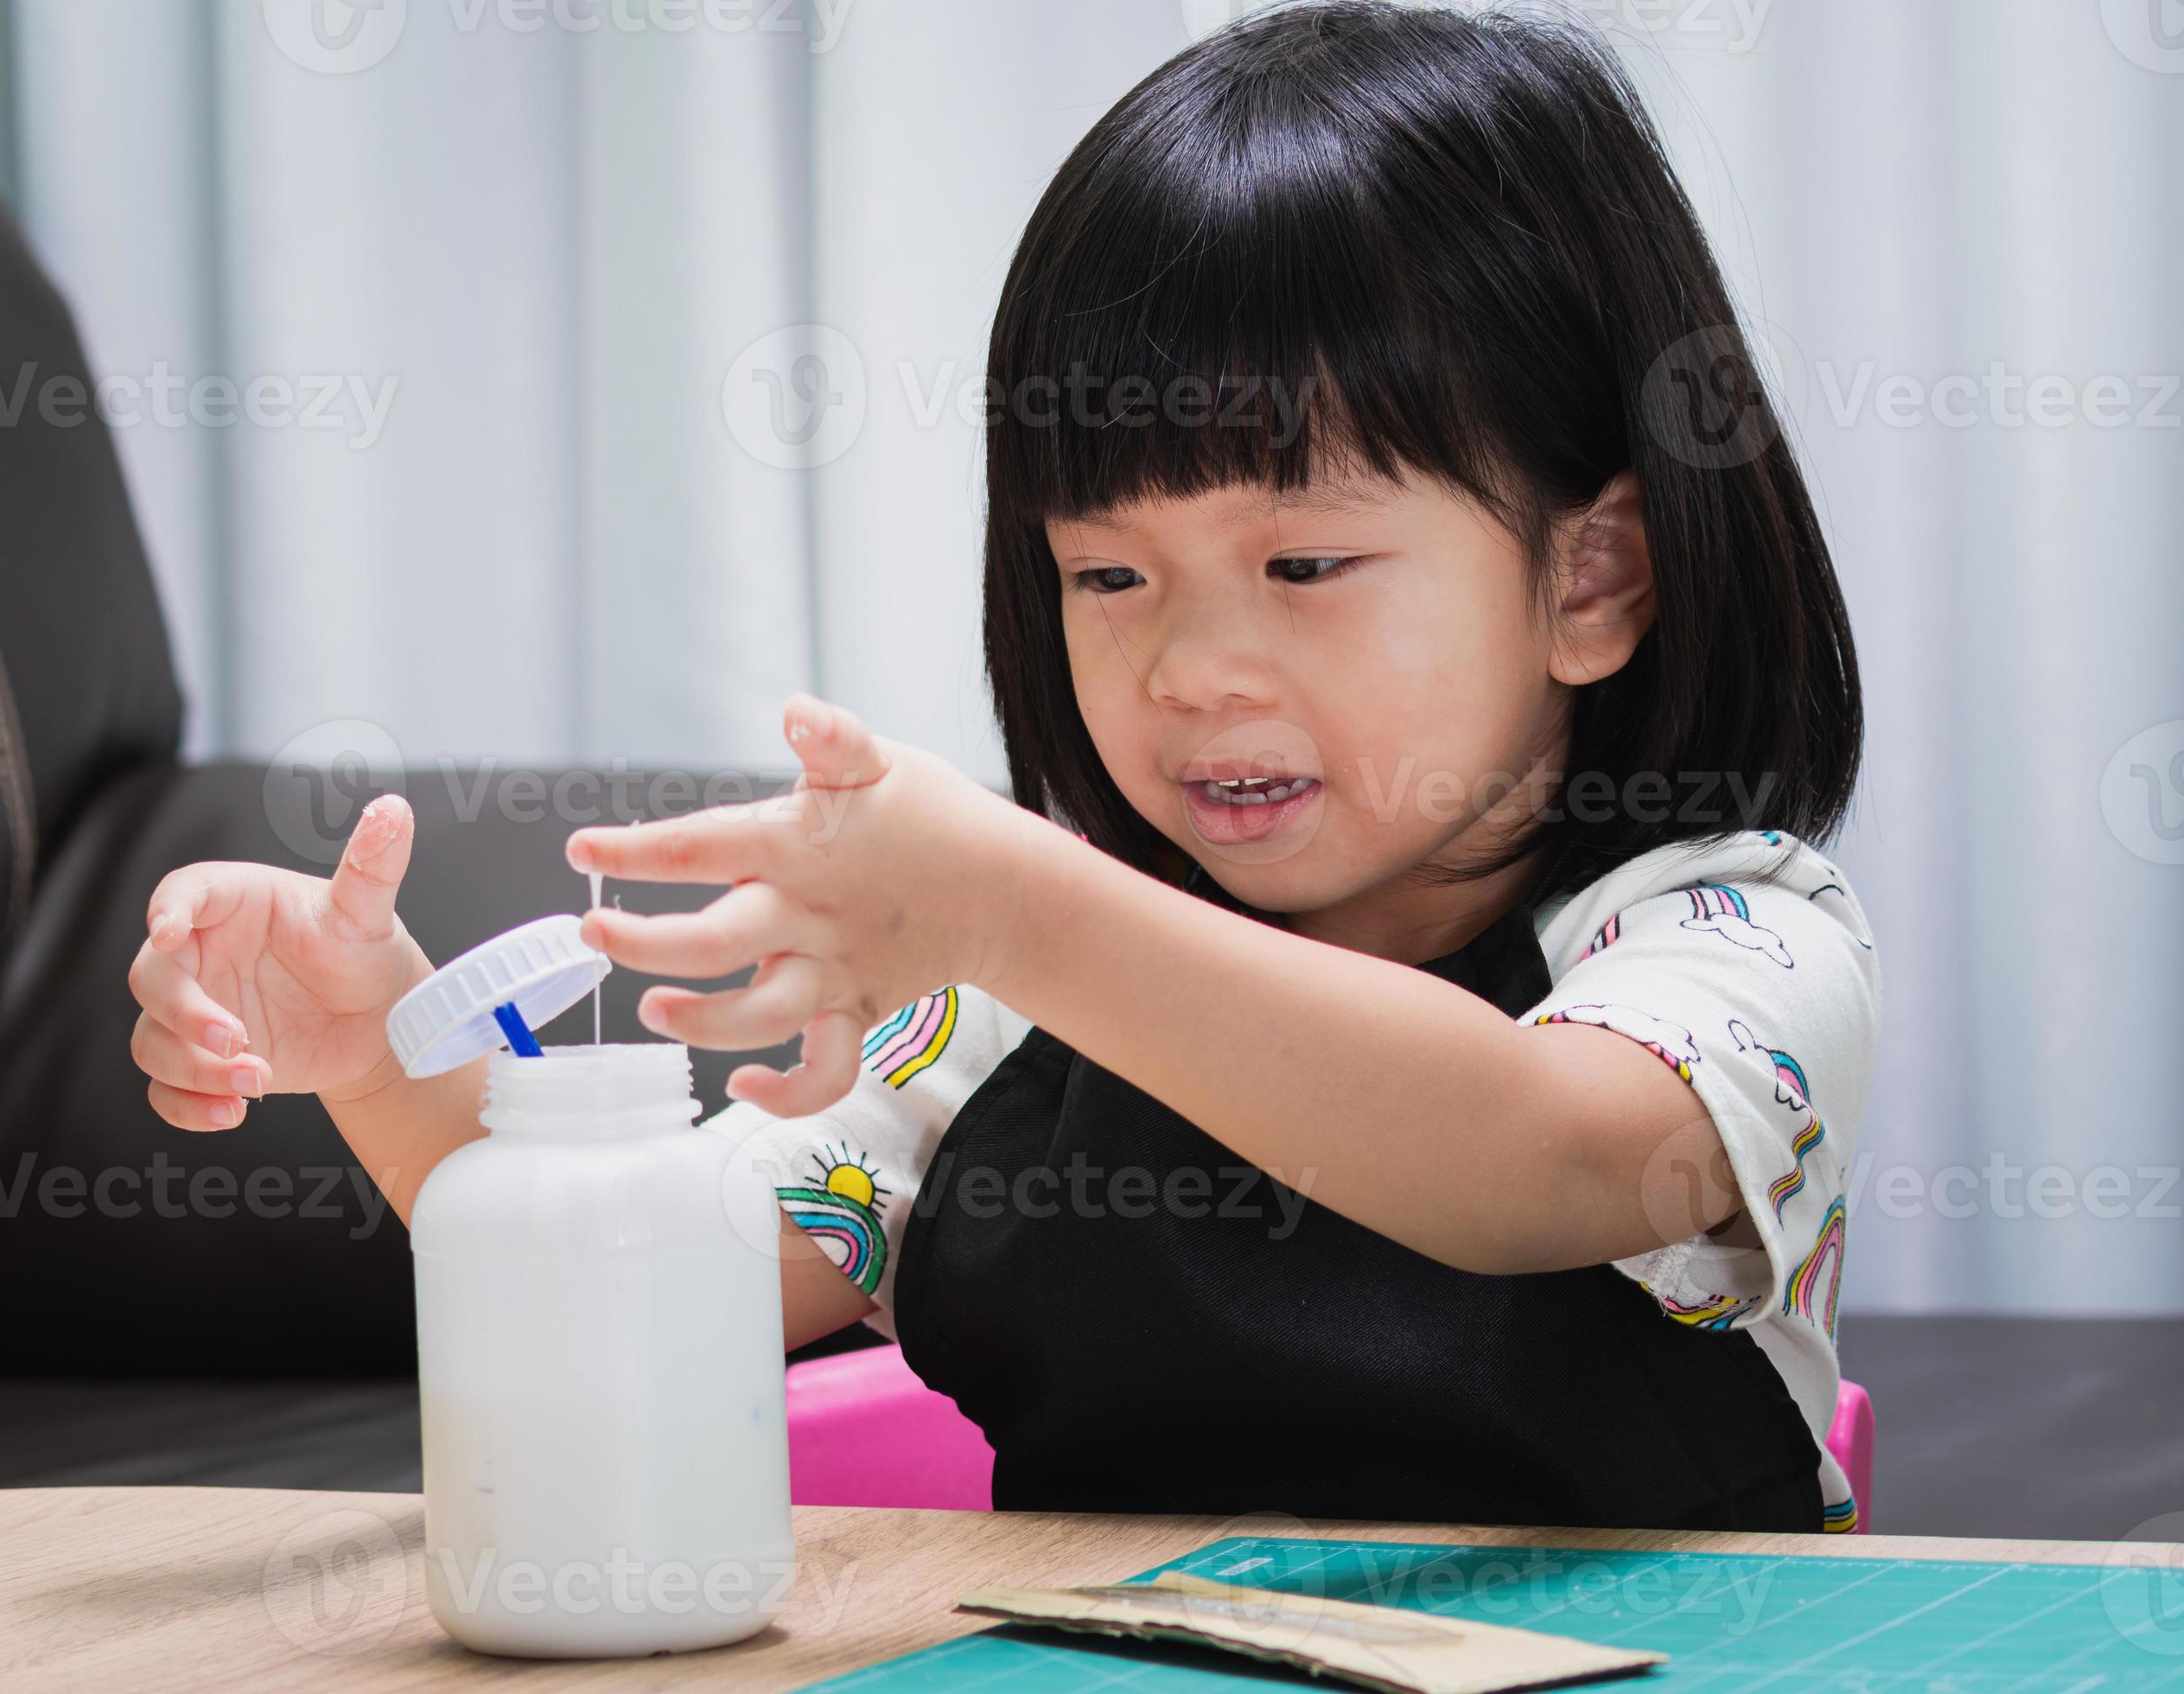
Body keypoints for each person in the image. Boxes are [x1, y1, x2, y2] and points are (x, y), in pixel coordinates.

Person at [128, 1, 1875, 1533]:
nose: (1187, 668)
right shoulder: (999, 1020)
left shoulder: (1728, 941)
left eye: (1305, 565)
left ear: (1594, 577)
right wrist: (375, 1046)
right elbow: (625, 1282)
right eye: (1107, 574)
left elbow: (1541, 1166)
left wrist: (1016, 906)